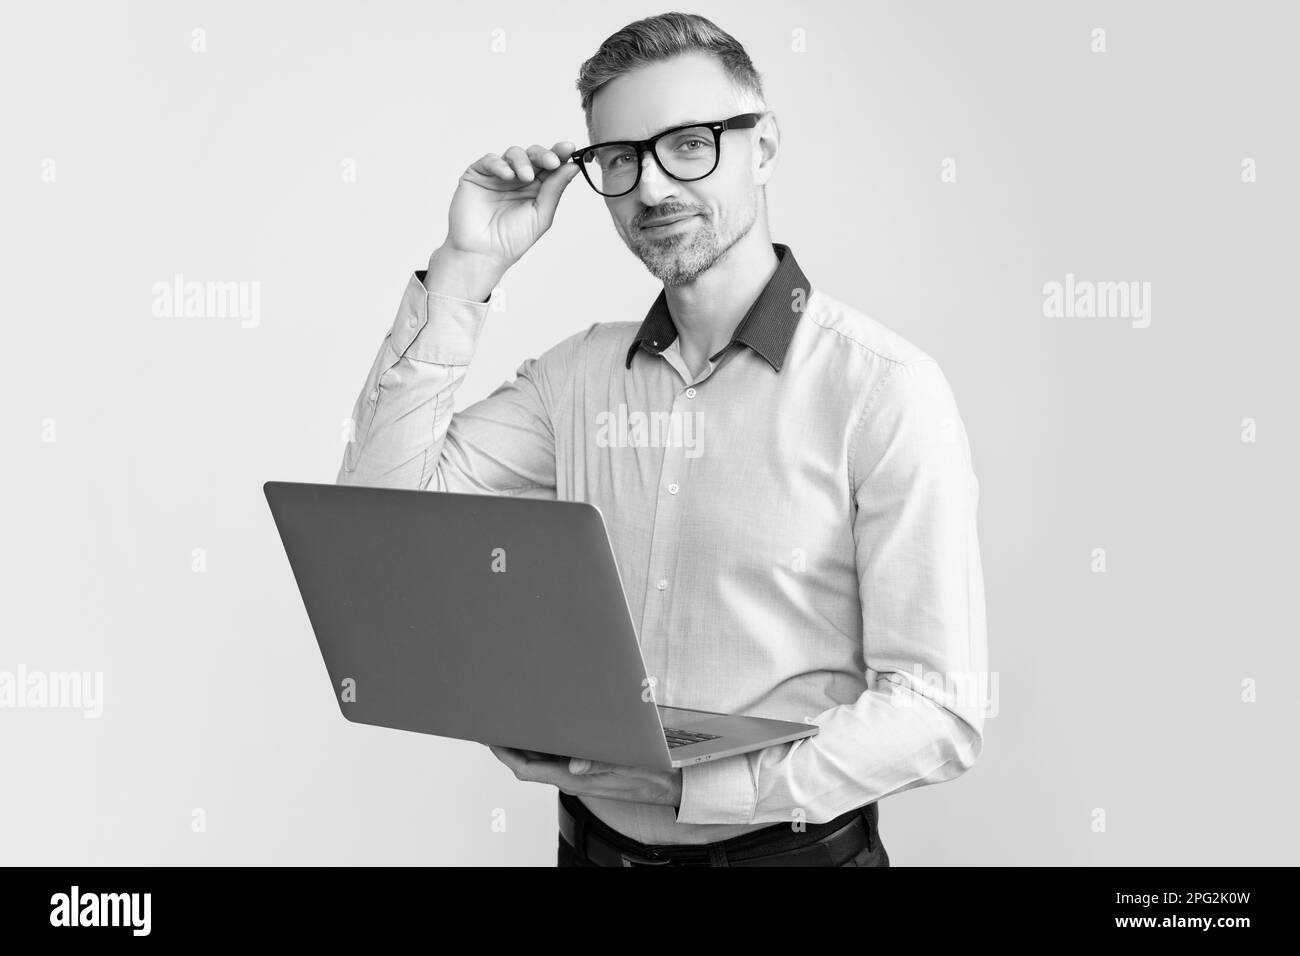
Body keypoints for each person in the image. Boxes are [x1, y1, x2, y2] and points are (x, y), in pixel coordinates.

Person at [337, 12, 987, 867]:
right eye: (620, 159)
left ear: (763, 146)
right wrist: (463, 270)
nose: (650, 188)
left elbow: (937, 710)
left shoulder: (884, 391)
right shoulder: (573, 379)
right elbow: (377, 519)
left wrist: (696, 789)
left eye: (688, 144)